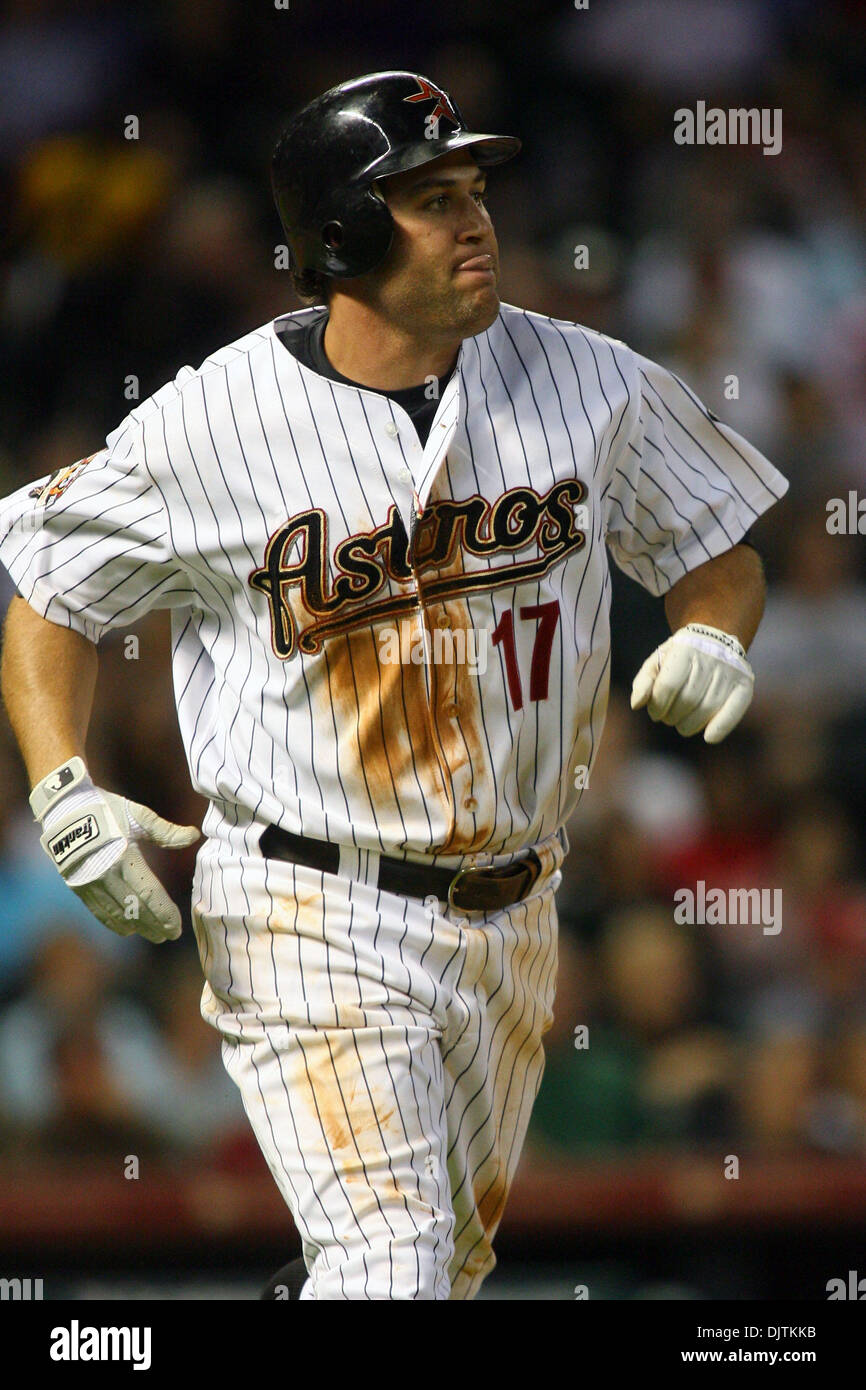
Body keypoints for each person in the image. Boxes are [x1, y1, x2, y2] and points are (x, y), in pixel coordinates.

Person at [0, 71, 788, 1300]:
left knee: (435, 1271)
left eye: (473, 190)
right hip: (306, 897)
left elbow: (714, 549)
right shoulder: (214, 418)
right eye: (428, 198)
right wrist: (62, 785)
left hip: (516, 904)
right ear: (341, 237)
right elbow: (50, 588)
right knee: (392, 1265)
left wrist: (716, 632)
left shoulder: (589, 379)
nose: (476, 220)